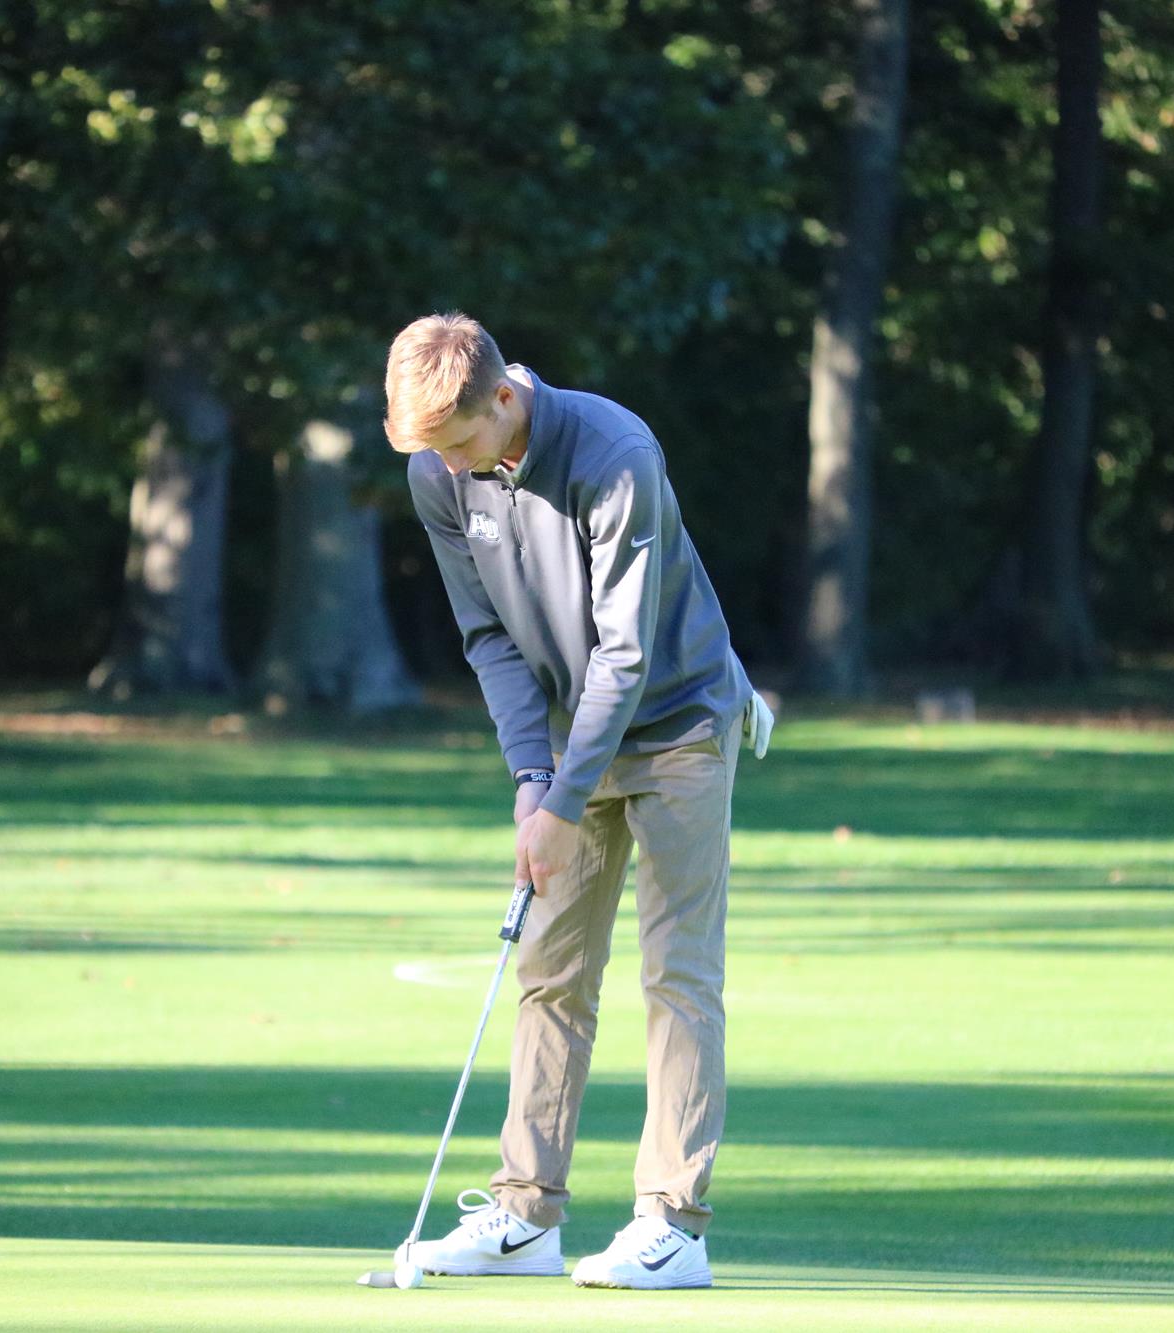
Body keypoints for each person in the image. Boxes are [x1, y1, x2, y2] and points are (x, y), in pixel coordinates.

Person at [383, 312, 774, 1290]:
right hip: (567, 741)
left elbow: (627, 651)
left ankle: (671, 1225)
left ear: (504, 399)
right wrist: (533, 784)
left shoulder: (614, 454)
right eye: (435, 452)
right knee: (550, 971)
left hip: (679, 717)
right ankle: (523, 1215)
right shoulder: (437, 470)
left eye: (463, 443)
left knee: (676, 972)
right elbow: (488, 640)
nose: (453, 467)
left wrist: (559, 797)